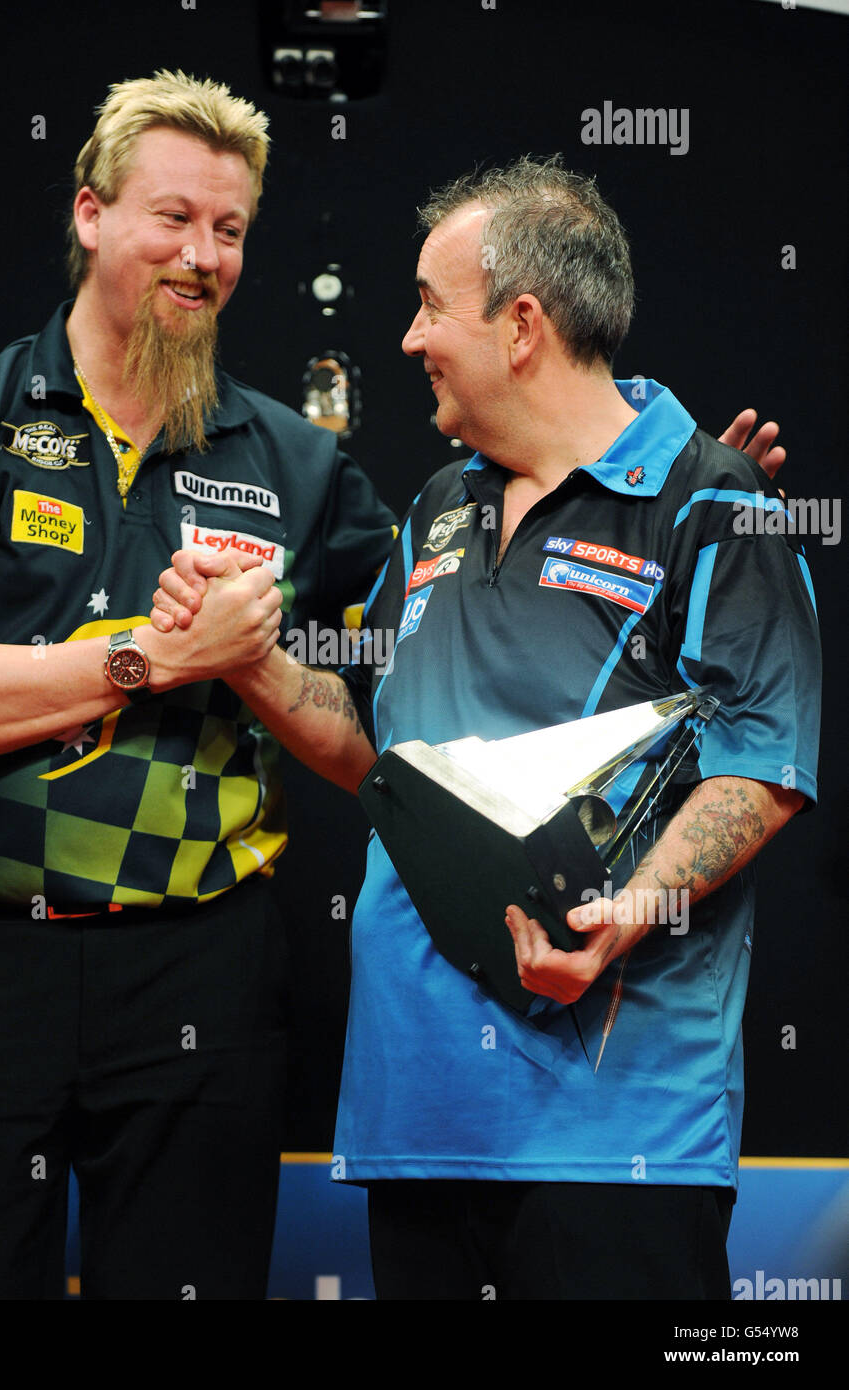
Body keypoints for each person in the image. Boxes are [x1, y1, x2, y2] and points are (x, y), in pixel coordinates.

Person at [154, 157, 821, 1300]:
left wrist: (618, 921)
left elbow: (757, 771)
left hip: (615, 1140)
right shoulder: (435, 508)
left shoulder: (716, 504)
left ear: (521, 326)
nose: (408, 339)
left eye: (427, 304)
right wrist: (245, 656)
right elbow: (379, 753)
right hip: (415, 1118)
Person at [0, 69, 397, 1300]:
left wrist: (256, 663)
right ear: (91, 214)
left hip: (203, 969)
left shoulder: (302, 465)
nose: (202, 255)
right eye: (172, 217)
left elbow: (382, 742)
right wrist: (152, 658)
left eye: (230, 229)